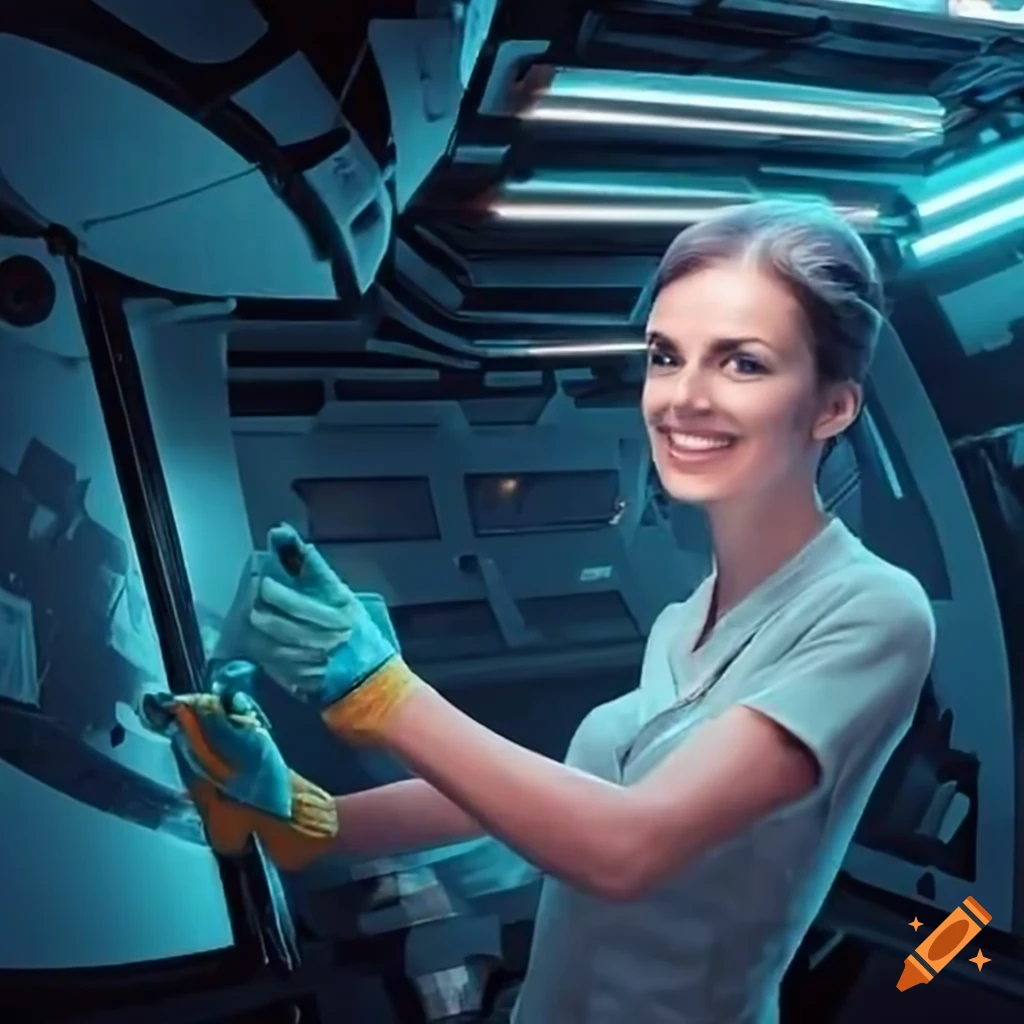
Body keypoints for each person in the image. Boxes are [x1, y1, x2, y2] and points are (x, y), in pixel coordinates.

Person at [163, 200, 936, 1024]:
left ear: (833, 407)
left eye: (742, 364)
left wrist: (386, 698)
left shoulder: (876, 611)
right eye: (666, 357)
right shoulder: (683, 619)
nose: (683, 399)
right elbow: (565, 791)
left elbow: (628, 846)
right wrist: (304, 816)